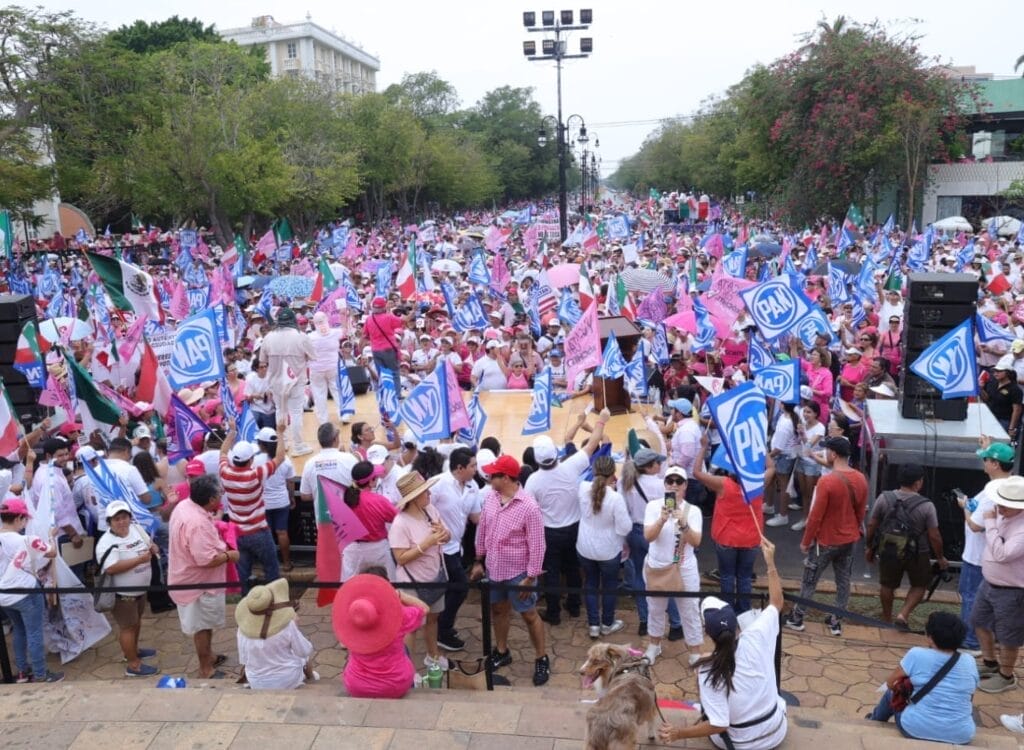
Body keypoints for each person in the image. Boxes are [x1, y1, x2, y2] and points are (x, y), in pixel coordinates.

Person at [658, 538, 787, 749]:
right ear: (738, 625)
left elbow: (719, 725)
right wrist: (770, 562)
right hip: (776, 730)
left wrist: (678, 734)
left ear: (707, 634)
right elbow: (776, 602)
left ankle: (706, 709)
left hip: (744, 742)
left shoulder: (708, 671)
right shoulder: (756, 633)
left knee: (702, 677)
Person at [525, 409, 610, 626]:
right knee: (573, 568)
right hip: (574, 528)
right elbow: (592, 444)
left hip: (549, 532)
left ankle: (553, 612)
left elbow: (530, 510)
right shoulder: (571, 466)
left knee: (551, 572)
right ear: (555, 453)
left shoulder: (533, 481)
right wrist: (602, 420)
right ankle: (573, 606)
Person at [470, 454, 549, 686]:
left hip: (518, 574)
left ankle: (541, 657)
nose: (487, 477)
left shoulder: (529, 507)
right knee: (498, 610)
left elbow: (537, 544)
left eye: (493, 474)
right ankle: (502, 651)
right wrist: (478, 560)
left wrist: (531, 576)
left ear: (505, 478)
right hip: (495, 569)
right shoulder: (492, 498)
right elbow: (483, 530)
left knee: (529, 614)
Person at [784, 436, 868, 637]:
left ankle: (798, 617)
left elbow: (815, 516)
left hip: (826, 540)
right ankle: (836, 621)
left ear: (834, 454)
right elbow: (861, 511)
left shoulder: (827, 481)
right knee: (843, 580)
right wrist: (854, 529)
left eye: (826, 451)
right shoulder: (861, 479)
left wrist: (806, 541)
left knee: (810, 579)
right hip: (849, 539)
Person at [866, 611, 978, 745]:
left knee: (891, 694)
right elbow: (970, 696)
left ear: (930, 637)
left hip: (915, 728)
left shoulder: (917, 654)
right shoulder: (969, 661)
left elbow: (891, 683)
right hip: (962, 735)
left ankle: (874, 721)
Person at [168, 473, 240, 679]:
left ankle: (209, 655)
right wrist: (229, 555)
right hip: (197, 585)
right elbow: (205, 560)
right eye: (219, 494)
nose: (222, 496)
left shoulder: (185, 506)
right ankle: (205, 669)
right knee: (202, 626)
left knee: (205, 623)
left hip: (193, 580)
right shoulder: (197, 523)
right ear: (210, 500)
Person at [864, 464, 948, 628]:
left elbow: (872, 524)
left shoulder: (884, 498)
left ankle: (886, 618)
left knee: (887, 585)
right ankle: (903, 614)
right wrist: (940, 557)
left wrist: (869, 546)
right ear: (918, 483)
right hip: (918, 552)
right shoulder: (927, 505)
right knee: (920, 584)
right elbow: (934, 536)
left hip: (889, 549)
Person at [693, 433, 767, 613]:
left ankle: (728, 611)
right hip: (751, 540)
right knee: (744, 578)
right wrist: (759, 445)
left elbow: (696, 473)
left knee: (726, 577)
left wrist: (703, 447)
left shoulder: (723, 484)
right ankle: (744, 611)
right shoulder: (758, 482)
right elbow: (771, 467)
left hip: (727, 539)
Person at [642, 465, 704, 666]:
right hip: (657, 567)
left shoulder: (693, 511)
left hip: (683, 568)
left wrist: (683, 524)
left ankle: (695, 651)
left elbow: (696, 542)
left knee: (690, 610)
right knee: (655, 609)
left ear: (685, 485)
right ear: (664, 484)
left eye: (679, 481)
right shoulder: (653, 507)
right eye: (670, 481)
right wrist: (662, 519)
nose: (674, 485)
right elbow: (648, 537)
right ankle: (654, 645)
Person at [389, 470, 449, 671]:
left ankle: (432, 655)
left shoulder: (430, 510)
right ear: (414, 498)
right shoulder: (400, 524)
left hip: (433, 575)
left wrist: (443, 533)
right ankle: (407, 667)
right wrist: (426, 543)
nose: (429, 495)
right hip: (411, 583)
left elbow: (446, 536)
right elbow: (400, 558)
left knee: (433, 618)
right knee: (411, 626)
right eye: (426, 492)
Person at [333, 571, 428, 698]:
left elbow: (343, 642)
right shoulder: (399, 615)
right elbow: (425, 609)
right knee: (404, 648)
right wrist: (400, 595)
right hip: (395, 685)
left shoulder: (352, 616)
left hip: (357, 685)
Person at [958, 440, 1014, 654]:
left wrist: (965, 508)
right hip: (989, 556)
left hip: (978, 557)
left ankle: (972, 642)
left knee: (972, 598)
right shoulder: (1008, 485)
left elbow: (975, 525)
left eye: (986, 459)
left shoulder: (993, 493)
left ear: (995, 464)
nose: (983, 462)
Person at [218, 420, 286, 594]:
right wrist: (280, 433)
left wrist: (232, 431)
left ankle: (246, 606)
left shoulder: (225, 472)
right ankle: (275, 602)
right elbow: (280, 458)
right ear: (251, 459)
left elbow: (223, 451)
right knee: (271, 571)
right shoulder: (256, 475)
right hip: (258, 531)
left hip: (237, 532)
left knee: (242, 573)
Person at [95, 500, 161, 677]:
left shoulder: (136, 530)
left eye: (124, 517)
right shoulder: (106, 542)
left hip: (140, 591)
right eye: (117, 519)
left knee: (136, 622)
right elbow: (111, 568)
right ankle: (133, 665)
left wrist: (153, 548)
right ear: (109, 522)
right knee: (127, 627)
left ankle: (134, 650)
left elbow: (150, 544)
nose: (122, 522)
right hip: (122, 595)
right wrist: (139, 561)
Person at [0, 497, 63, 683]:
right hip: (26, 592)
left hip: (3, 595)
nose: (26, 522)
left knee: (19, 631)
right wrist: (51, 535)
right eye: (25, 518)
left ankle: (22, 672)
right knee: (34, 632)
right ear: (19, 517)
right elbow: (52, 552)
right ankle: (41, 674)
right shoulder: (28, 540)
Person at [972, 474, 1024, 694]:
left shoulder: (1021, 529)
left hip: (1012, 590)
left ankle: (1006, 675)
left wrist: (990, 523)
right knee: (978, 620)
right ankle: (990, 662)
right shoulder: (1002, 516)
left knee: (1008, 636)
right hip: (990, 583)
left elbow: (1003, 554)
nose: (1000, 508)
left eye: (1006, 506)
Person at [429, 447, 481, 652]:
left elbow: (476, 518)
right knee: (460, 587)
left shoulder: (473, 486)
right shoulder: (438, 484)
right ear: (460, 468)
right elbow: (422, 509)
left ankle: (441, 625)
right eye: (472, 466)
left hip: (455, 548)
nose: (476, 469)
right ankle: (442, 629)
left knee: (453, 588)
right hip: (439, 548)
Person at [576, 455, 631, 639]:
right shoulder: (615, 498)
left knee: (590, 584)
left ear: (593, 471)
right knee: (609, 586)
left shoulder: (583, 488)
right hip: (608, 550)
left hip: (585, 547)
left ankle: (593, 625)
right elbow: (625, 527)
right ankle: (607, 623)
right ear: (612, 474)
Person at [235, 577, 317, 690]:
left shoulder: (242, 629)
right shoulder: (288, 625)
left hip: (256, 682)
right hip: (287, 680)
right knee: (304, 656)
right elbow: (304, 651)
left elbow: (244, 659)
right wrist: (295, 628)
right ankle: (312, 680)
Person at [259, 307, 316, 456]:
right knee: (296, 413)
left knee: (280, 411)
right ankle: (298, 446)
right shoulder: (301, 336)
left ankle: (282, 443)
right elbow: (313, 356)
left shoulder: (268, 337)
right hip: (295, 381)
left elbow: (262, 361)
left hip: (276, 381)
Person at [342, 461, 398, 580]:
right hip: (377, 549)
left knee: (348, 587)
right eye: (375, 477)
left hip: (351, 549)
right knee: (389, 584)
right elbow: (395, 518)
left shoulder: (344, 497)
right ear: (371, 481)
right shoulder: (378, 500)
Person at [252, 427, 296, 572]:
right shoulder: (286, 460)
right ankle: (287, 563)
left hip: (263, 503)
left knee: (267, 534)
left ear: (261, 444)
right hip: (282, 501)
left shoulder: (255, 461)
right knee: (282, 532)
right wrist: (291, 498)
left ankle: (269, 566)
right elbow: (290, 482)